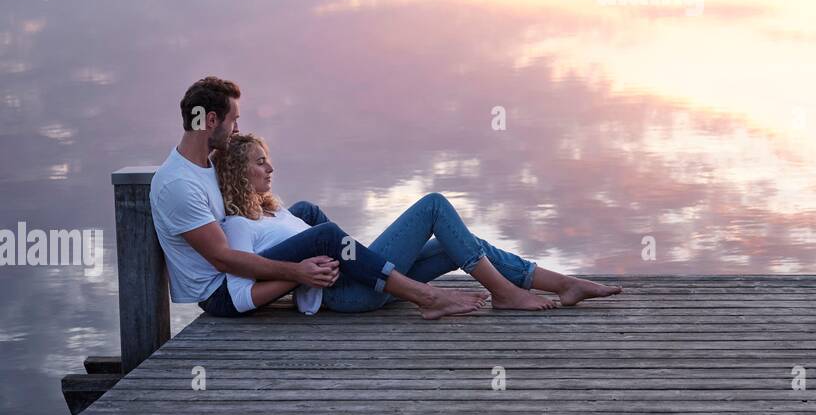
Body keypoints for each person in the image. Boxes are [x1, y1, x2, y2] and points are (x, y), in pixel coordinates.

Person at [149, 76, 487, 321]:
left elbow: (241, 206)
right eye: (233, 121)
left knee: (305, 213)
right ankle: (423, 296)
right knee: (325, 238)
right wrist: (298, 272)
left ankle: (362, 268)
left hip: (239, 268)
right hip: (222, 293)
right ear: (210, 121)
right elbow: (224, 259)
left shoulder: (206, 164)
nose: (237, 129)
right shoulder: (178, 184)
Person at [210, 131, 623, 315]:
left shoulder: (276, 211)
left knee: (459, 241)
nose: (271, 167)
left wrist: (335, 253)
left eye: (267, 158)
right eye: (260, 162)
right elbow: (242, 297)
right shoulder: (238, 226)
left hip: (365, 280)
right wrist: (301, 276)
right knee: (434, 206)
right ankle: (505, 294)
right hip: (348, 297)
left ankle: (558, 283)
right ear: (237, 172)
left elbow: (337, 244)